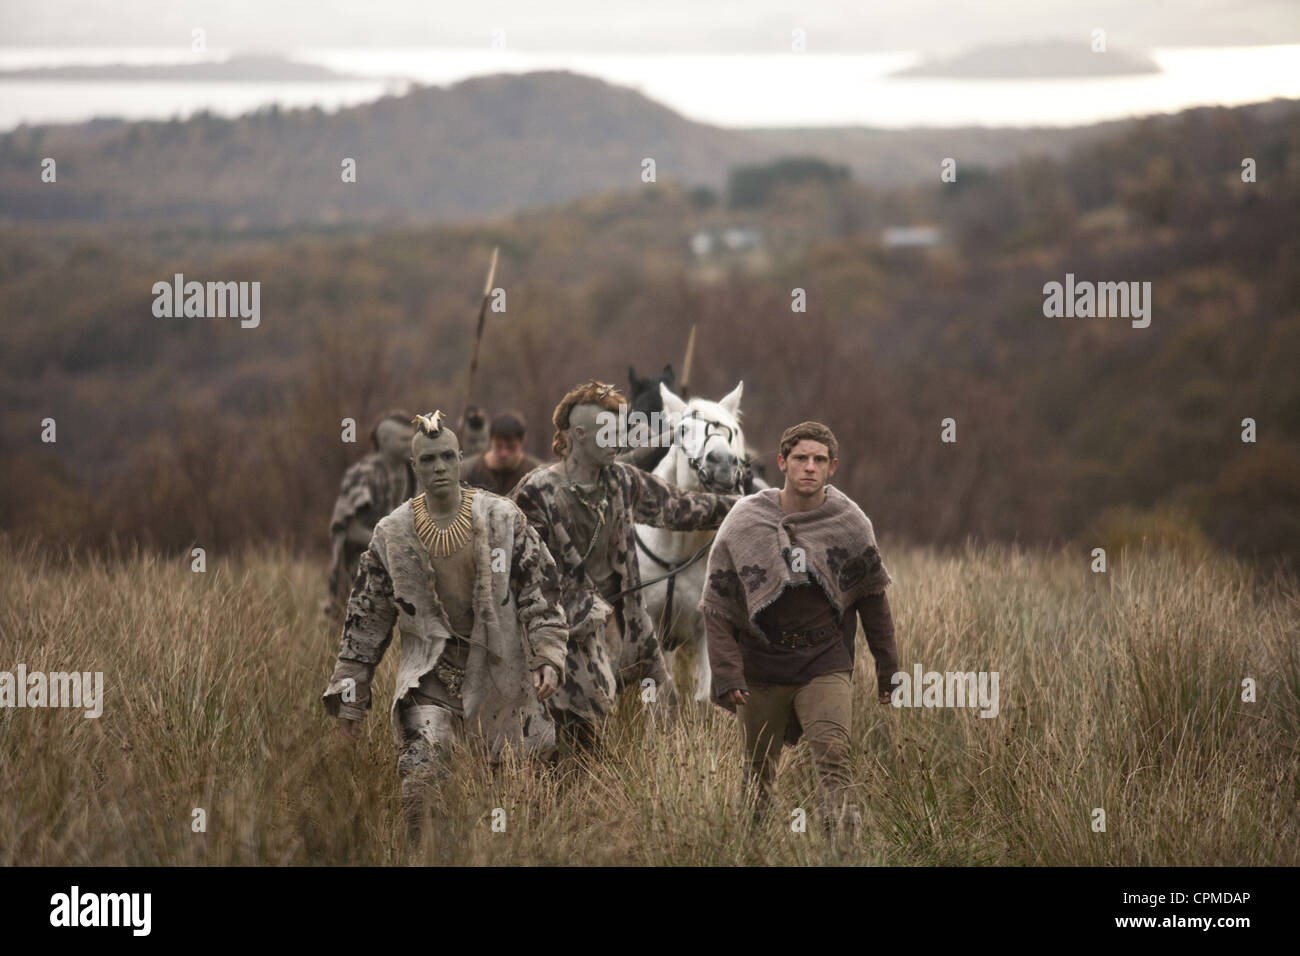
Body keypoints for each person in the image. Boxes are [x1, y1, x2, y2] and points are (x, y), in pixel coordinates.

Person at [322, 411, 567, 843]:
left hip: (498, 671)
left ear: (459, 461)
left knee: (514, 789)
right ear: (415, 467)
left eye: (447, 458)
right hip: (429, 677)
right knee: (420, 777)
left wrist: (548, 653)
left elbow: (540, 588)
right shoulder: (392, 535)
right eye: (429, 460)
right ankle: (425, 854)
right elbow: (364, 625)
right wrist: (349, 703)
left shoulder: (502, 519)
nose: (439, 468)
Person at [512, 381, 740, 754]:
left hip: (633, 628)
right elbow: (522, 573)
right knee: (578, 723)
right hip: (566, 630)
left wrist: (742, 505)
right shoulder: (537, 492)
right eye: (610, 432)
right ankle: (563, 785)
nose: (619, 440)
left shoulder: (622, 481)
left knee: (661, 705)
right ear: (580, 436)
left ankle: (655, 782)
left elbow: (679, 508)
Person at [700, 421, 899, 837]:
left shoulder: (850, 523)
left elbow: (873, 600)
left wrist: (888, 669)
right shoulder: (746, 519)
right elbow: (717, 605)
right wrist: (726, 672)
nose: (810, 467)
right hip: (762, 666)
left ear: (832, 467)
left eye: (819, 460)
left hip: (823, 660)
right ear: (782, 463)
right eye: (800, 459)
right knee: (757, 773)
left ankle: (843, 848)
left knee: (834, 756)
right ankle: (748, 849)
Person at [324, 410, 416, 615]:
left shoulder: (415, 472)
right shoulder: (363, 474)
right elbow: (349, 530)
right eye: (403, 439)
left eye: (411, 438)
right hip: (359, 569)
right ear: (384, 440)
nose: (410, 444)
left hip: (401, 570)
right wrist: (391, 546)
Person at [460, 410, 545, 496]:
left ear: (522, 440)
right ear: (491, 439)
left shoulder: (537, 474)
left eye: (510, 447)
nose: (503, 454)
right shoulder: (468, 471)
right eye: (498, 446)